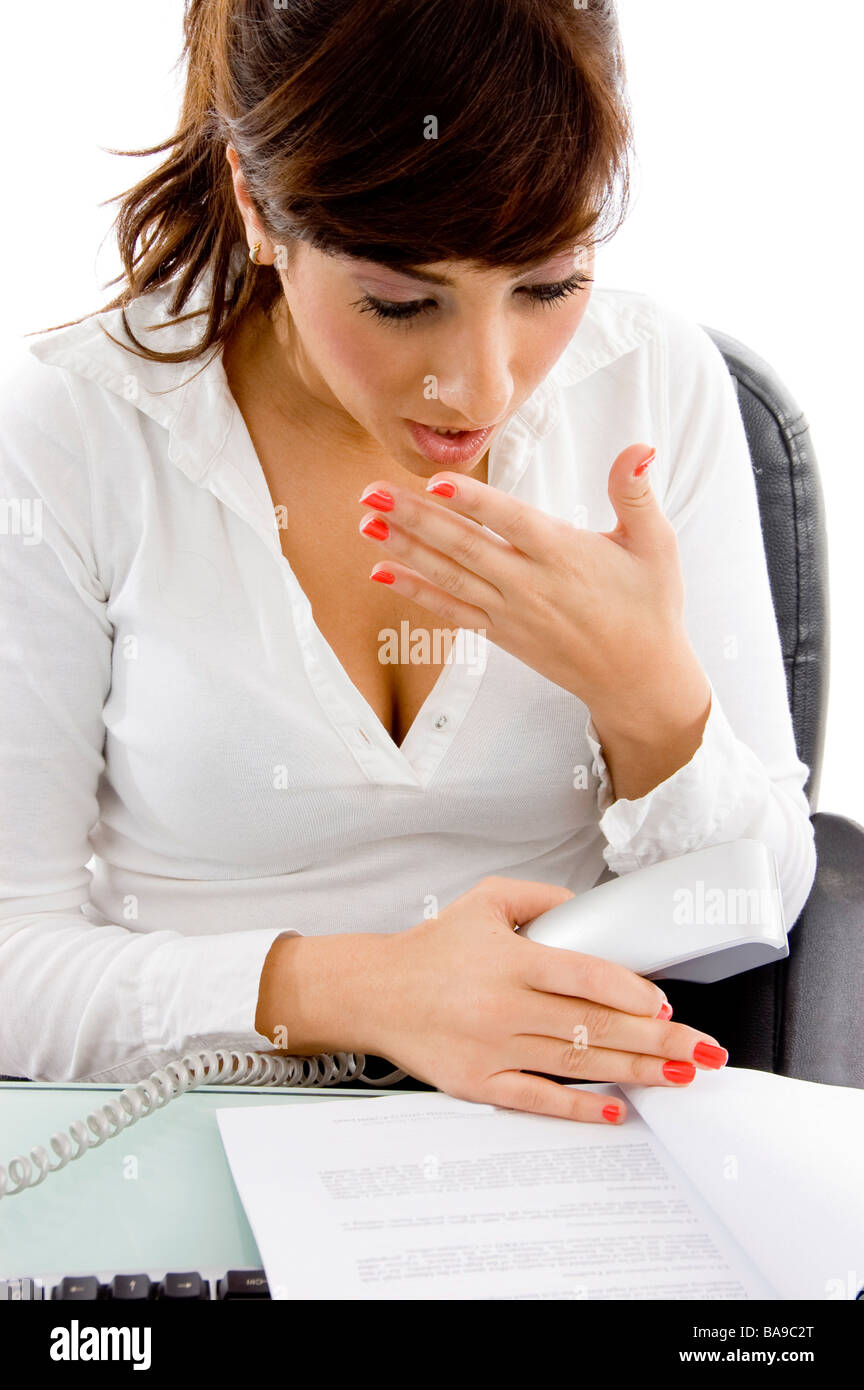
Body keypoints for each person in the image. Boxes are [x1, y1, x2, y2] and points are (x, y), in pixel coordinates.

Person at [0, 0, 815, 1123]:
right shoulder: (80, 431)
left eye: (549, 285)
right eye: (398, 301)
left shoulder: (648, 388)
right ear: (257, 207)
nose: (482, 387)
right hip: (197, 1125)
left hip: (571, 1135)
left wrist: (648, 695)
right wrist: (367, 992)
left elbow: (759, 902)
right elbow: (9, 962)